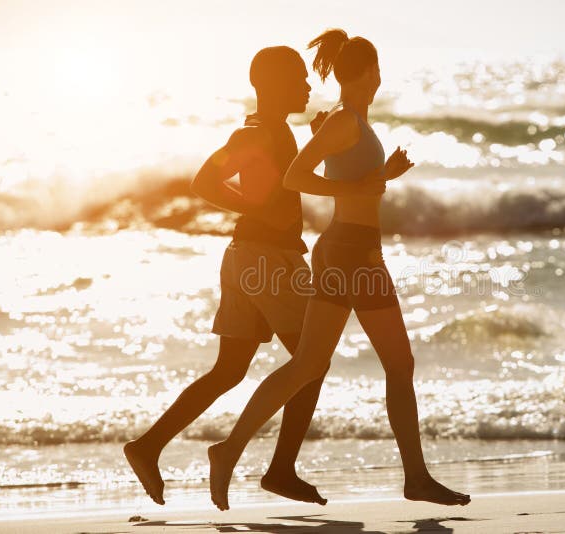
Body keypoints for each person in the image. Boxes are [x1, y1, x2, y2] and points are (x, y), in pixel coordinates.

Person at [207, 29, 471, 510]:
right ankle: (416, 478)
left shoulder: (349, 121)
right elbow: (296, 177)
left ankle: (229, 450)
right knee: (395, 365)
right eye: (377, 68)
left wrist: (382, 176)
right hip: (352, 253)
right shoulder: (345, 120)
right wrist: (359, 184)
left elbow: (352, 177)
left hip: (347, 251)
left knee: (310, 365)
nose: (379, 76)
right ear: (369, 72)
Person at [123, 46, 379, 506]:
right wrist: (258, 210)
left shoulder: (273, 129)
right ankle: (280, 469)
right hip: (268, 261)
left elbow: (276, 182)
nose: (307, 86)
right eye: (298, 78)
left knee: (230, 370)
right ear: (272, 84)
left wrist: (313, 149)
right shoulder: (258, 132)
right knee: (312, 363)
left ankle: (147, 447)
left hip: (247, 258)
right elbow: (204, 182)